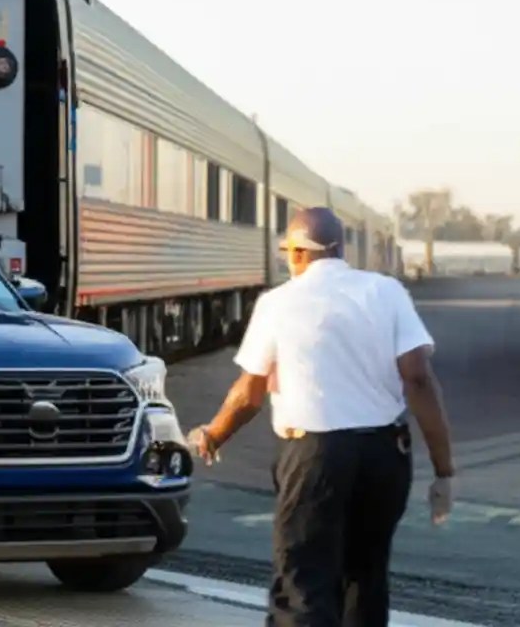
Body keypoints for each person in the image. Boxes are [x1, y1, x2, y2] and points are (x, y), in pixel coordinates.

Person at [186, 206, 455, 627]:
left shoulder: (278, 303)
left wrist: (213, 434)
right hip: (384, 454)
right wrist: (443, 471)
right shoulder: (386, 292)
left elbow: (248, 393)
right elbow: (419, 379)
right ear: (340, 249)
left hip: (314, 455)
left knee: (303, 582)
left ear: (297, 253)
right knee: (365, 576)